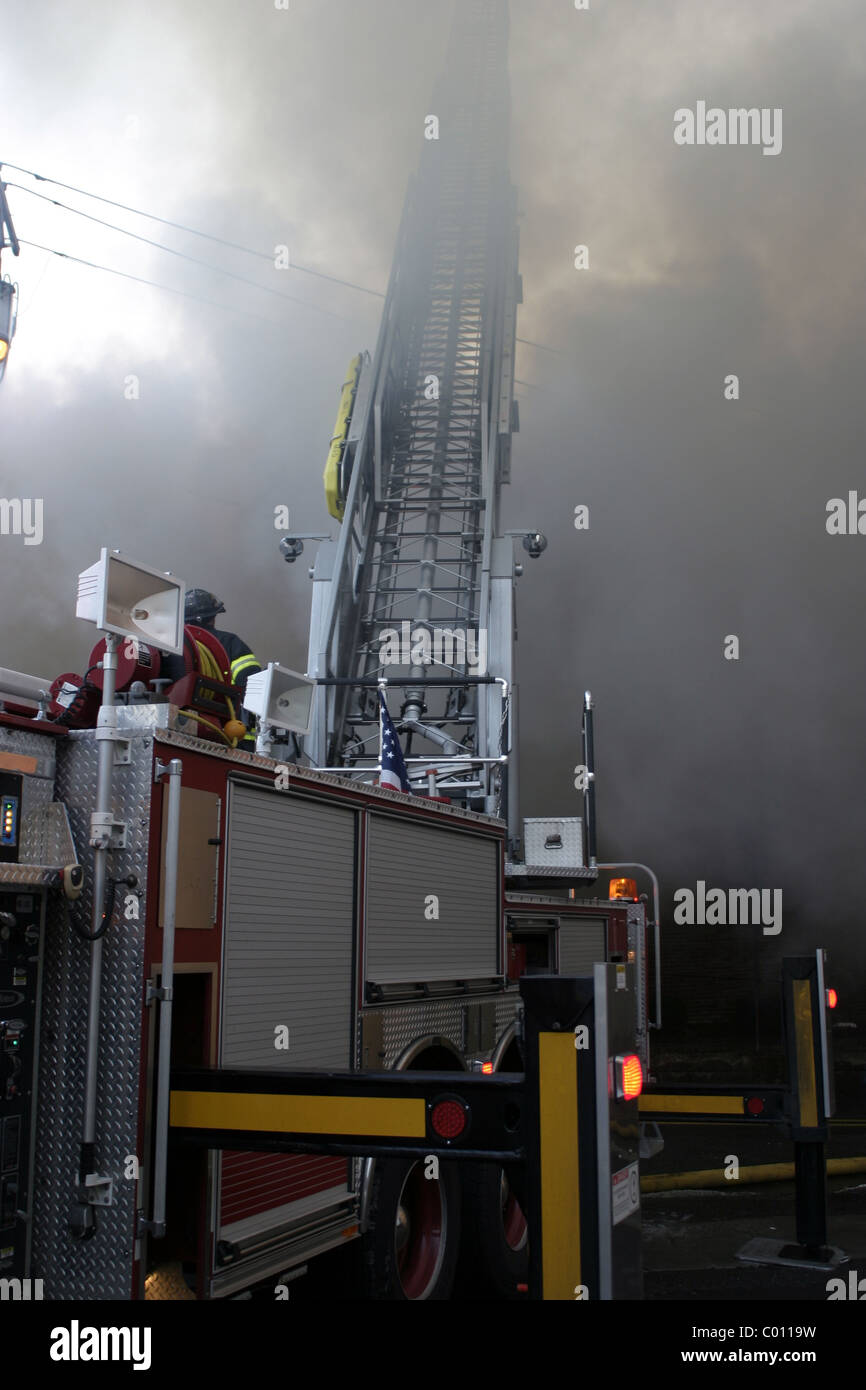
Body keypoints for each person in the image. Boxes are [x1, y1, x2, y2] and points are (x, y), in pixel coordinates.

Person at [165, 588, 261, 745]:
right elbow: (252, 687)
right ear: (213, 617)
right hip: (226, 733)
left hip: (174, 728)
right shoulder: (231, 644)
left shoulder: (168, 645)